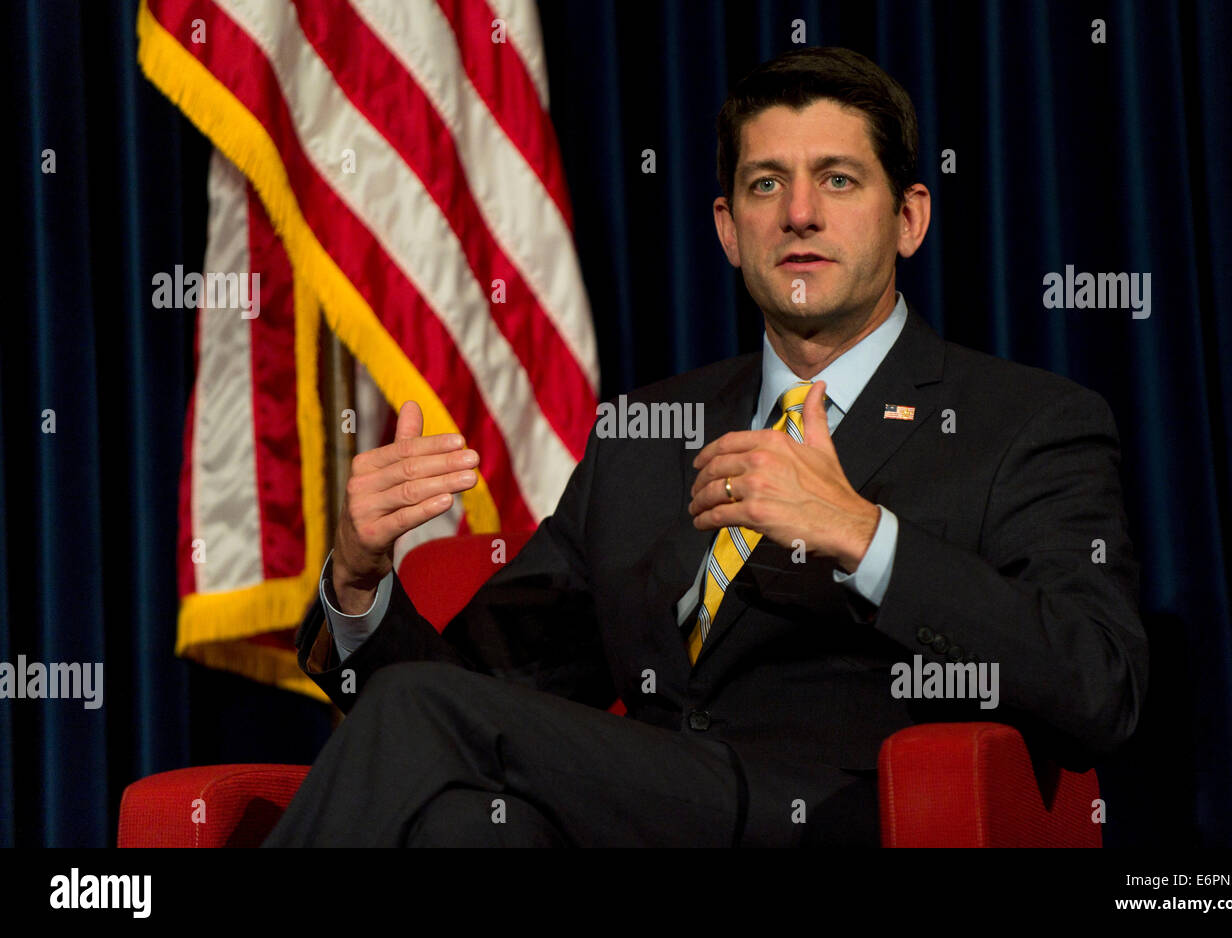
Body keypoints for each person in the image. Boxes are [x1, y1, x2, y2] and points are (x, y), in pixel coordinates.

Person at [263, 46, 1146, 847]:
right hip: (648, 815)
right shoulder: (645, 436)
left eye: (838, 180)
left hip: (841, 821)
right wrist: (358, 584)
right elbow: (480, 694)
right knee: (465, 827)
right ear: (728, 230)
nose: (799, 213)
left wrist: (864, 536)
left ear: (910, 218)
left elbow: (1098, 686)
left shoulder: (1026, 421)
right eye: (767, 185)